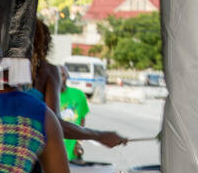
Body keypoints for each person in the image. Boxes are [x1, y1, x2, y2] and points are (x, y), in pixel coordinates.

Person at [27, 19, 126, 160]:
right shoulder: (47, 71)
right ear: (45, 43)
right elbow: (56, 125)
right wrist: (100, 136)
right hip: (31, 157)